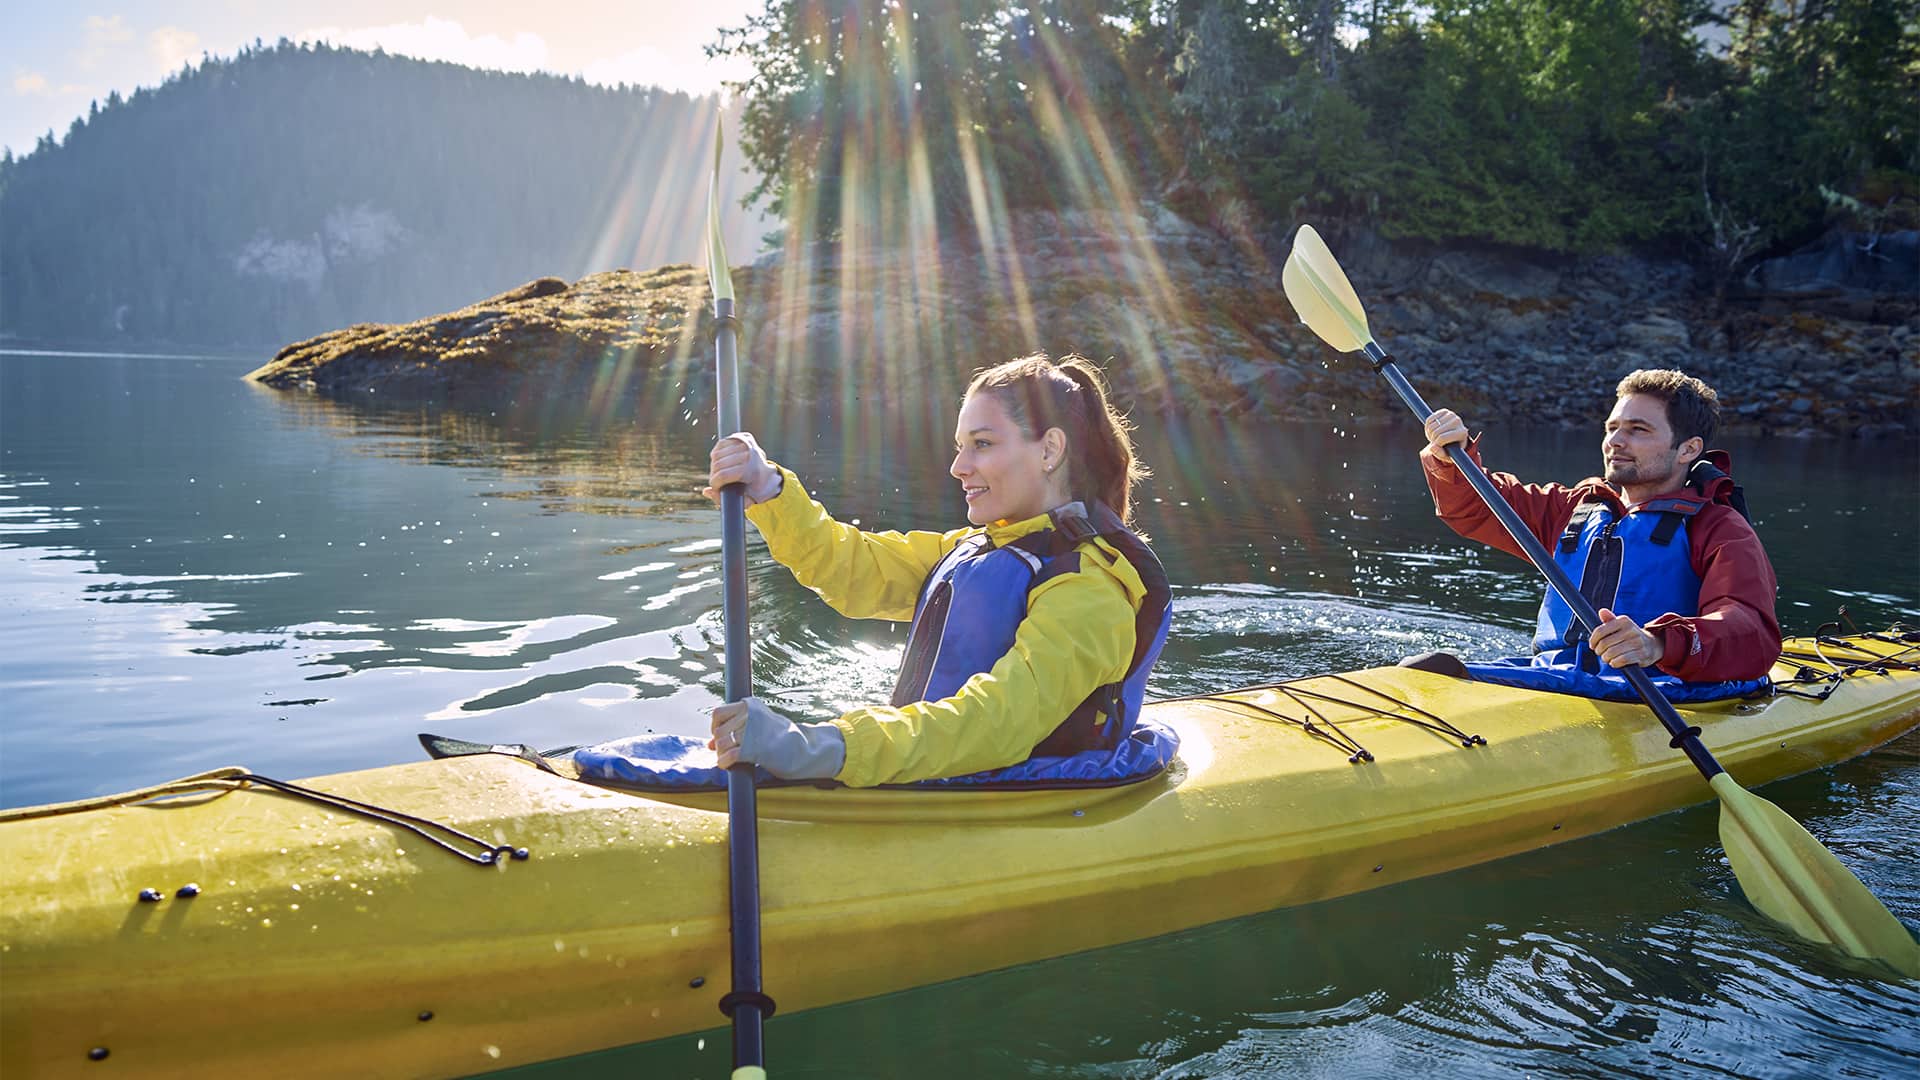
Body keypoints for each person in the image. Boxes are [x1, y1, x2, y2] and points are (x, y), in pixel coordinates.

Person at [701, 354, 1171, 786]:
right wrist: (768, 487)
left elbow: (997, 722)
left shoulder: (1091, 588)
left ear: (1049, 450)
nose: (958, 467)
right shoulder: (975, 549)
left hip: (1025, 804)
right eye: (960, 446)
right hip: (938, 774)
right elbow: (854, 568)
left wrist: (813, 747)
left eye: (981, 444)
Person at [1416, 368, 1780, 701]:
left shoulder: (1720, 529)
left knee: (1429, 671)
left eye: (1638, 430)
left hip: (1655, 691)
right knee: (1428, 672)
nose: (1615, 442)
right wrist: (1452, 459)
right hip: (1561, 678)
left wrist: (1657, 643)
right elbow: (1474, 507)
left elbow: (1751, 631)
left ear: (1689, 448)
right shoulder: (1577, 507)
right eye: (1612, 428)